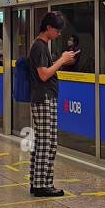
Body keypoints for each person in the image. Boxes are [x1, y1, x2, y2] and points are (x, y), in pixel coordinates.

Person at [28, 11, 77, 197]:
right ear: (48, 28)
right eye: (57, 30)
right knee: (46, 143)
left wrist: (60, 60)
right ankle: (42, 185)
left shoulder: (40, 46)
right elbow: (43, 74)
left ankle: (38, 182)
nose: (59, 34)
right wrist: (62, 60)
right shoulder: (39, 47)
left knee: (44, 141)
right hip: (43, 98)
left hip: (44, 97)